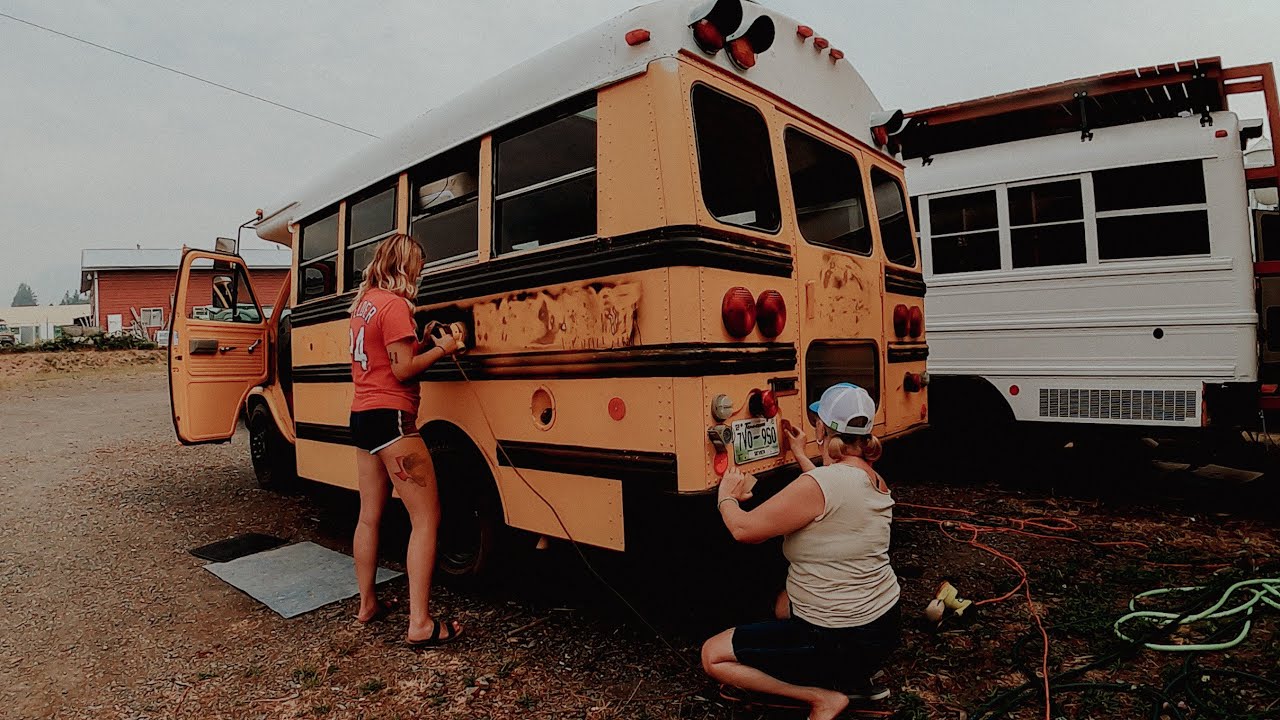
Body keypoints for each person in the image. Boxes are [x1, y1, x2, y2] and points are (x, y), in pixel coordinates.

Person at [702, 383, 901, 720]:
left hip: (838, 638)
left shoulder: (822, 485)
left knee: (713, 655)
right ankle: (855, 676)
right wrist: (799, 454)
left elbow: (744, 530)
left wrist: (727, 496)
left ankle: (821, 697)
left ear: (822, 428)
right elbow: (832, 493)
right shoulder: (874, 478)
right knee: (783, 602)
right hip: (882, 626)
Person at [348, 232, 463, 646]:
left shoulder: (363, 305)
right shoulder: (396, 306)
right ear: (406, 267)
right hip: (392, 420)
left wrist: (420, 336)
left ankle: (367, 604)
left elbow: (387, 353)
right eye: (418, 267)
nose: (420, 275)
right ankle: (420, 623)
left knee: (368, 516)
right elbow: (402, 370)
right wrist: (444, 348)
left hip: (361, 416)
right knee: (426, 516)